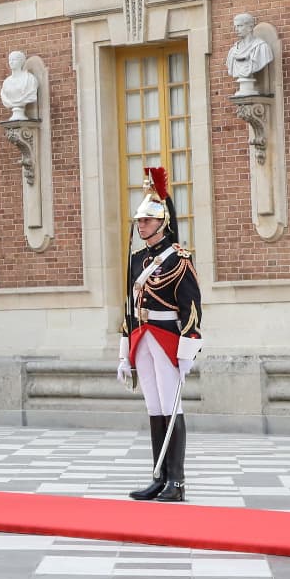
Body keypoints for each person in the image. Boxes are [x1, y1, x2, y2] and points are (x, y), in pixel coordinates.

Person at [117, 167, 201, 502]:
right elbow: (128, 307)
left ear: (162, 223)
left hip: (167, 338)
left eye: (147, 221)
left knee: (171, 406)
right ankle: (159, 475)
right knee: (154, 408)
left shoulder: (178, 259)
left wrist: (187, 350)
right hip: (142, 338)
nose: (141, 226)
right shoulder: (138, 260)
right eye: (139, 222)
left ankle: (176, 482)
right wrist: (124, 353)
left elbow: (192, 308)